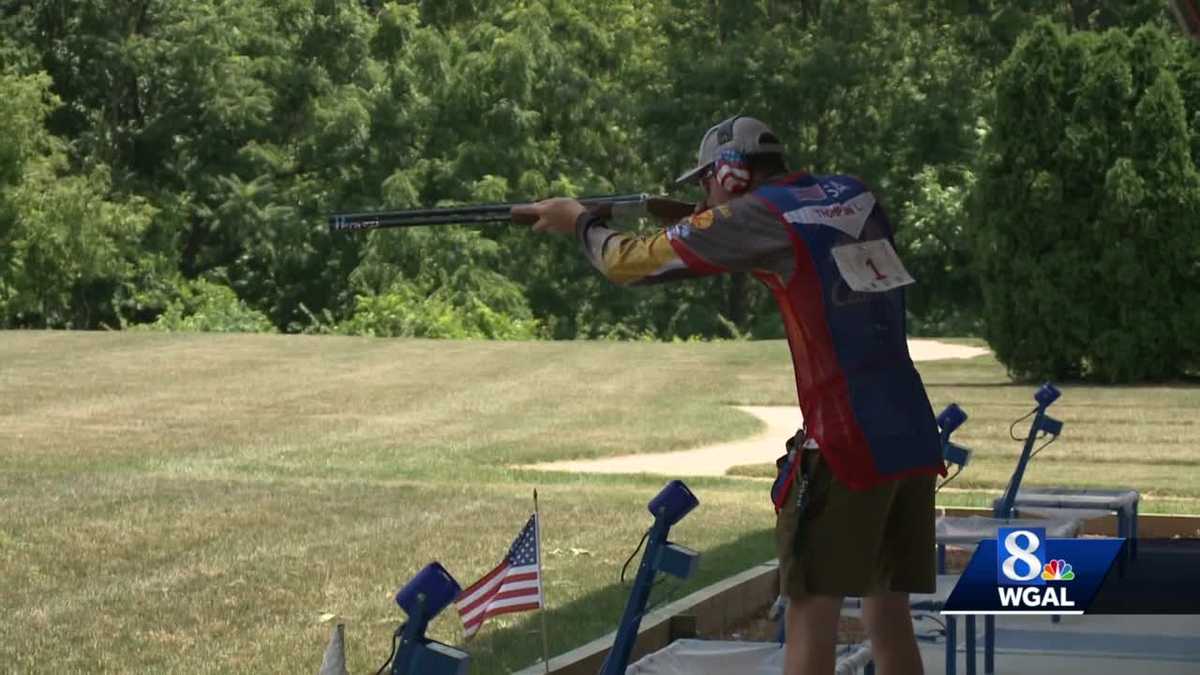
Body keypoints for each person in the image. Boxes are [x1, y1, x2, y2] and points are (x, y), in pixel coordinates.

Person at [515, 115, 946, 675]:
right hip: (910, 436)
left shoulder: (759, 215)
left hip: (844, 445)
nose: (703, 193)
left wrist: (579, 222)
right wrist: (706, 220)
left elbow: (630, 264)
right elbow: (790, 238)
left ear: (732, 175)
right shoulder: (852, 192)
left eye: (707, 181)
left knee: (808, 624)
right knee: (889, 622)